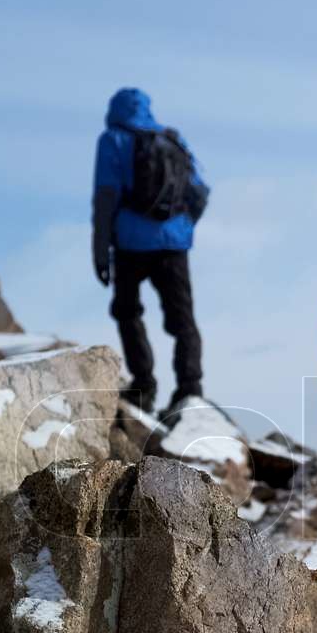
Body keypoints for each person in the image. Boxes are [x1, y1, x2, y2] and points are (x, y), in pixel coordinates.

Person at [91, 87, 210, 413]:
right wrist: (181, 226)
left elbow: (105, 198)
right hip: (174, 243)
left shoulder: (113, 139)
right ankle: (191, 388)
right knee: (183, 319)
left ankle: (144, 385)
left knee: (127, 311)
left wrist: (100, 251)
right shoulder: (172, 138)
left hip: (131, 243)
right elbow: (200, 190)